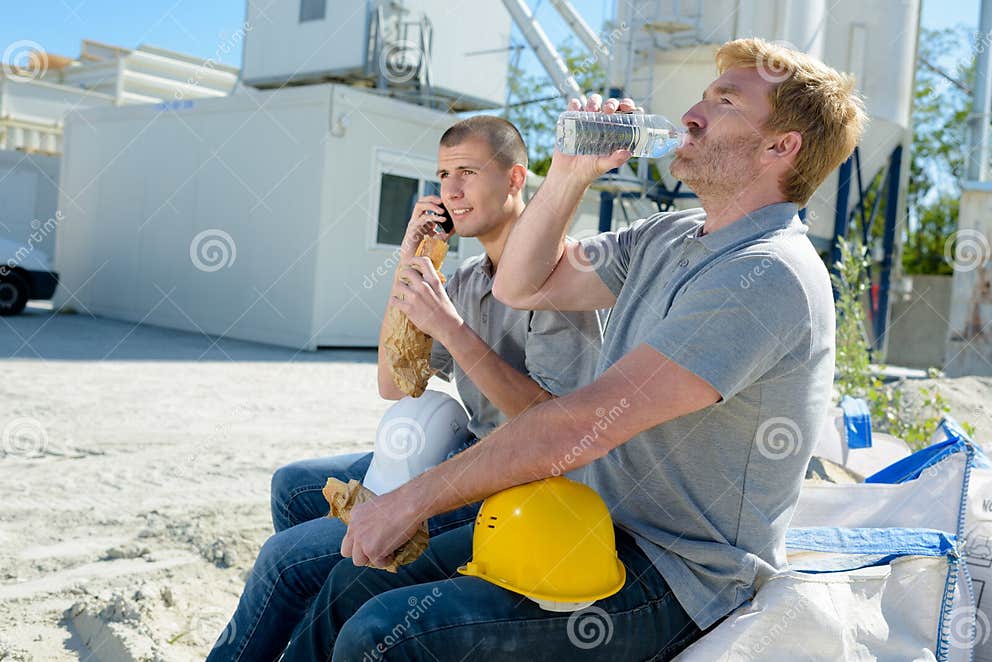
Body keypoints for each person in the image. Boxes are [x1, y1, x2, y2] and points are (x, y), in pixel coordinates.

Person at [282, 38, 868, 661]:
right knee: (354, 581)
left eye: (725, 102)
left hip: (673, 571)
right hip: (587, 521)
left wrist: (410, 501)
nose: (692, 112)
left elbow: (581, 427)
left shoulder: (767, 273)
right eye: (702, 95)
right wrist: (568, 172)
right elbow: (521, 284)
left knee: (389, 634)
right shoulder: (667, 235)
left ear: (781, 146)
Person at [207, 116, 606, 660]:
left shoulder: (560, 275)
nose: (453, 191)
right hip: (472, 449)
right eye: (444, 176)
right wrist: (409, 264)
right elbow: (394, 384)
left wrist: (451, 329)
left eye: (468, 171)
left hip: (521, 477)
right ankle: (318, 623)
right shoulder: (464, 281)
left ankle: (323, 602)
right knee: (293, 486)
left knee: (286, 559)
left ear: (516, 180)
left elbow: (553, 428)